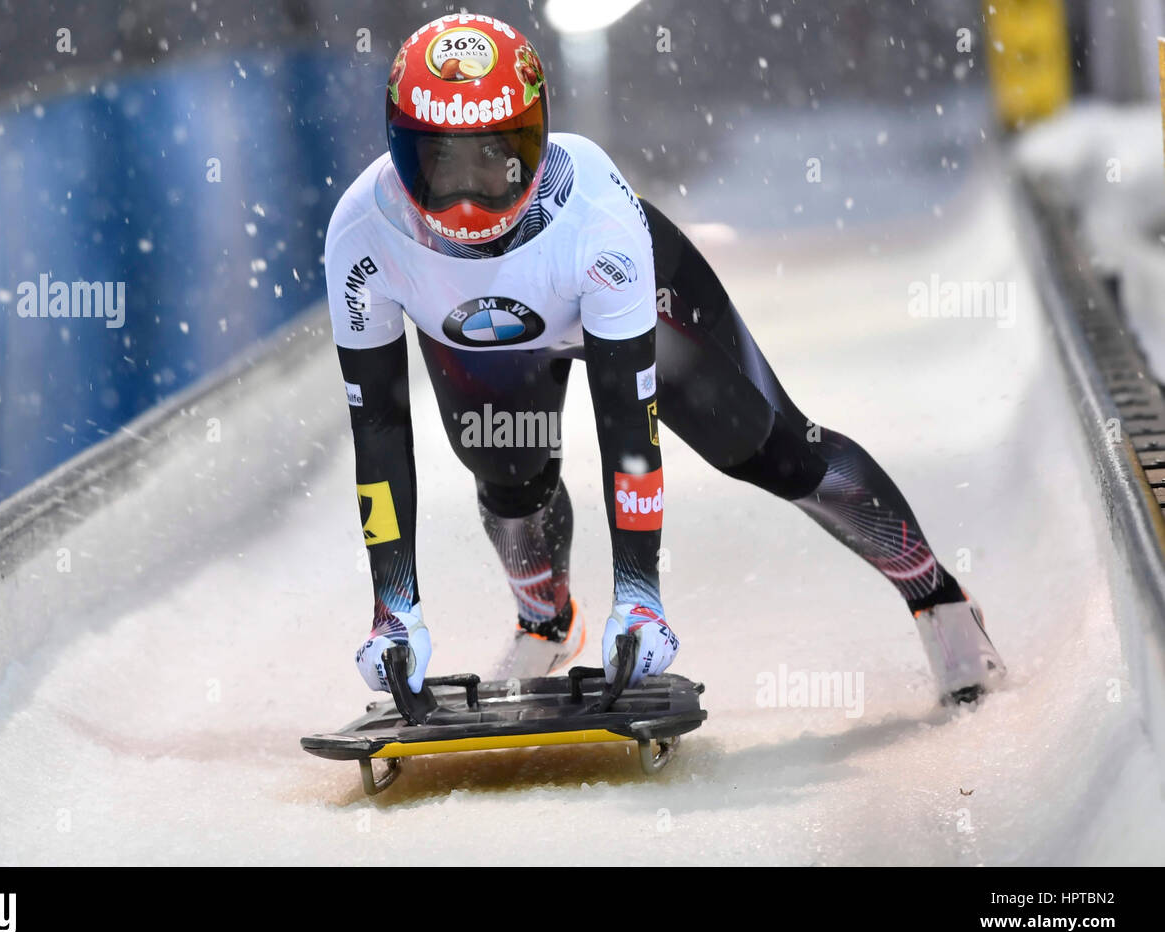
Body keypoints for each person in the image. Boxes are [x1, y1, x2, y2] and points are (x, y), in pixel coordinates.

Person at [323, 13, 1006, 701]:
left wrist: (639, 596)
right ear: (399, 148)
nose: (469, 198)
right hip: (491, 344)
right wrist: (394, 613)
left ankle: (937, 597)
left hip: (636, 303)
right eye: (441, 161)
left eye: (493, 159)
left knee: (778, 453)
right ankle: (547, 622)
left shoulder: (594, 216)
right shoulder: (359, 232)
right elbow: (378, 424)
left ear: (536, 139)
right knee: (506, 473)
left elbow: (627, 415)